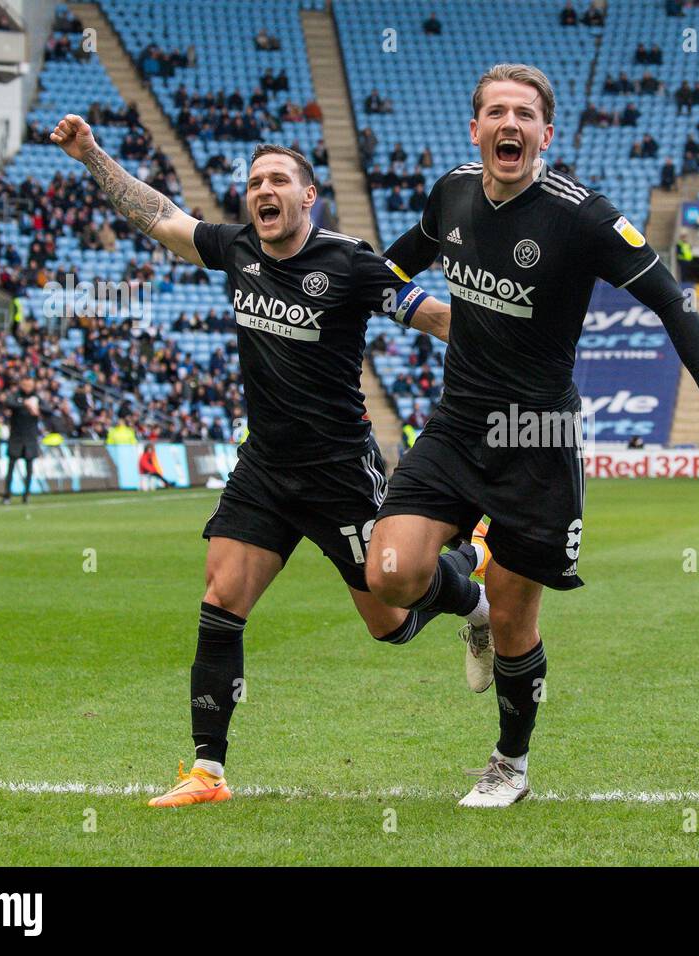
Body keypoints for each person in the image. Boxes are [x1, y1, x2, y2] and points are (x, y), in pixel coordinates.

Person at [50, 116, 487, 809]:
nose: (263, 190)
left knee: (391, 622)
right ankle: (207, 772)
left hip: (339, 471)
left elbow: (435, 317)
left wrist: (525, 348)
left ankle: (474, 595)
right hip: (264, 468)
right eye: (254, 182)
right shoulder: (236, 248)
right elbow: (160, 217)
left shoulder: (350, 262)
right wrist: (90, 156)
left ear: (308, 196)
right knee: (221, 598)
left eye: (278, 180)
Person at [371, 63, 699, 807]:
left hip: (539, 435)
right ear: (474, 127)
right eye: (496, 112)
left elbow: (673, 302)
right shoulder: (448, 193)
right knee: (389, 574)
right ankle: (465, 609)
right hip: (456, 424)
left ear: (547, 132)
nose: (509, 125)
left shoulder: (583, 215)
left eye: (525, 115)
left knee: (517, 614)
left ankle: (509, 763)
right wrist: (411, 305)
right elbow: (386, 268)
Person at [1, 377, 41, 505]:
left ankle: (26, 494)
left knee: (29, 468)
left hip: (30, 438)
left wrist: (37, 409)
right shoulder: (16, 396)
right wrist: (25, 404)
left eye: (30, 385)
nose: (28, 387)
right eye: (25, 384)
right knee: (11, 467)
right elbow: (8, 403)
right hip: (16, 437)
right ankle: (7, 495)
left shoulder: (37, 398)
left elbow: (48, 409)